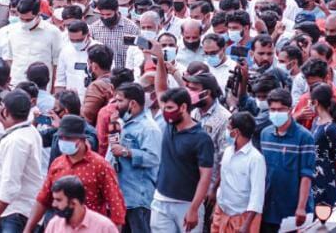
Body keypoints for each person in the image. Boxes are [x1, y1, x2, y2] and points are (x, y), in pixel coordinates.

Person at [27, 116, 125, 232]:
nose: (62, 141)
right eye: (61, 137)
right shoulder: (57, 164)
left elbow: (116, 205)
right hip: (62, 227)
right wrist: (28, 229)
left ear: (81, 140)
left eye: (67, 138)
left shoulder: (100, 166)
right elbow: (43, 199)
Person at [151, 87, 213, 233]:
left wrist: (194, 209)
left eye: (170, 108)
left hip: (187, 204)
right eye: (164, 108)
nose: (166, 112)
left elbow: (205, 176)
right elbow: (159, 86)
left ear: (184, 107)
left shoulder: (201, 139)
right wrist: (161, 63)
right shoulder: (170, 125)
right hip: (161, 201)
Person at [0, 90, 46, 233]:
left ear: (5, 111)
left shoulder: (16, 141)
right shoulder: (29, 130)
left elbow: (10, 184)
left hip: (13, 212)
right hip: (17, 210)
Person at [257, 88, 314, 229]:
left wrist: (301, 207)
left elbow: (306, 175)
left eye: (280, 109)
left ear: (290, 110)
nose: (276, 113)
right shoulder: (265, 134)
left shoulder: (304, 137)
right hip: (268, 208)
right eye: (272, 109)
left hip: (292, 209)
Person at [109, 83, 161, 233]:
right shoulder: (124, 124)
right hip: (122, 197)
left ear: (132, 103)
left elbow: (153, 158)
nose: (116, 105)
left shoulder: (148, 128)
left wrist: (127, 152)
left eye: (119, 101)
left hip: (138, 199)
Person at [211, 112, 265, 233]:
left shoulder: (255, 159)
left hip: (241, 219)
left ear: (236, 132)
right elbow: (223, 173)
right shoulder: (228, 151)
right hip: (221, 212)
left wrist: (246, 225)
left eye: (228, 128)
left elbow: (257, 196)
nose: (226, 131)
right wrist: (214, 191)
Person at [42, 176, 119, 233]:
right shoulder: (54, 225)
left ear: (73, 203)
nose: (53, 204)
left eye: (58, 200)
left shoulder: (104, 227)